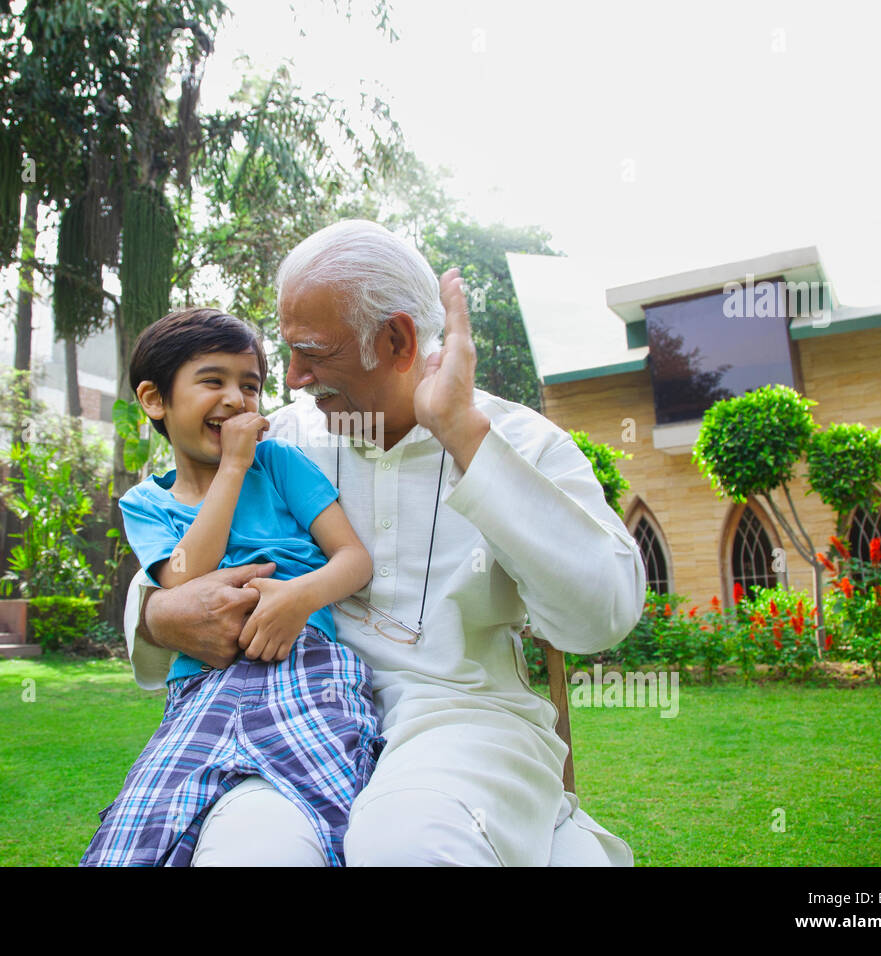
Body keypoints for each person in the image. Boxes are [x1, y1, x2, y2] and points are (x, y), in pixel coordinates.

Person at [122, 220, 647, 866]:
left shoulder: (519, 441)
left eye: (313, 351)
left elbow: (605, 613)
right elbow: (172, 547)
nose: (292, 378)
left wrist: (463, 436)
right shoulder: (276, 442)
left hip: (461, 720)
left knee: (405, 848)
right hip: (288, 717)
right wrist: (158, 613)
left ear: (395, 340)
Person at [79, 307, 384, 867]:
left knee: (334, 811)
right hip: (201, 685)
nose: (237, 399)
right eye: (212, 381)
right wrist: (233, 468)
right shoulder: (145, 503)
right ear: (154, 400)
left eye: (250, 385)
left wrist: (302, 597)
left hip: (307, 667)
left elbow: (353, 559)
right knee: (142, 824)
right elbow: (186, 576)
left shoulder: (281, 463)